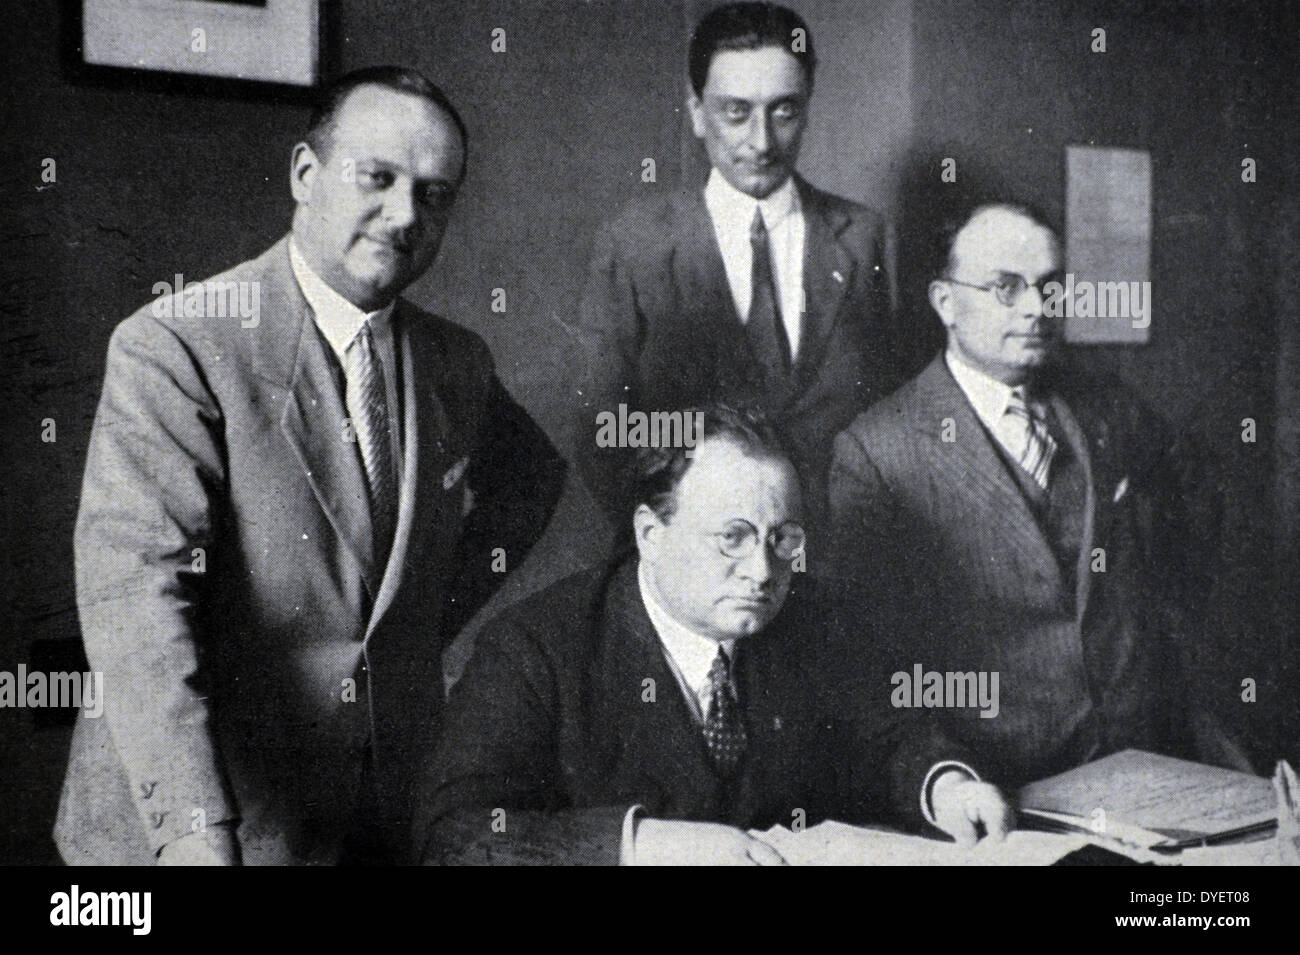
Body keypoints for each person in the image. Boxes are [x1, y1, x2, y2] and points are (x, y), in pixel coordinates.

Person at [57, 66, 566, 865]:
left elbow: (532, 481)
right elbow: (136, 609)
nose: (405, 215)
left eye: (435, 194)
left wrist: (411, 625)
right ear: (306, 174)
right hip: (206, 824)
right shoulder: (177, 344)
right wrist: (194, 834)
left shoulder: (455, 361)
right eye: (379, 178)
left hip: (375, 814)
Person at [422, 405, 1010, 864]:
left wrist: (948, 788)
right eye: (733, 536)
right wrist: (642, 847)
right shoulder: (535, 647)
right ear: (651, 534)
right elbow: (457, 838)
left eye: (782, 538)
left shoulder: (812, 622)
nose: (762, 571)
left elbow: (892, 738)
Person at [828, 203, 1250, 790]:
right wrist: (946, 780)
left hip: (1146, 767)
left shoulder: (1108, 406)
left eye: (1051, 287)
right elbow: (870, 672)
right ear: (945, 302)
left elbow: (1187, 533)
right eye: (1006, 287)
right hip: (1000, 789)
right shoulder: (877, 452)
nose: (1036, 308)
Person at [574, 2, 899, 536]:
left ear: (808, 109)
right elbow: (603, 429)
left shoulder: (865, 238)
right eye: (736, 112)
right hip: (696, 562)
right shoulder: (635, 245)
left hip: (841, 554)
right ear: (698, 114)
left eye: (784, 111)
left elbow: (891, 412)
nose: (762, 141)